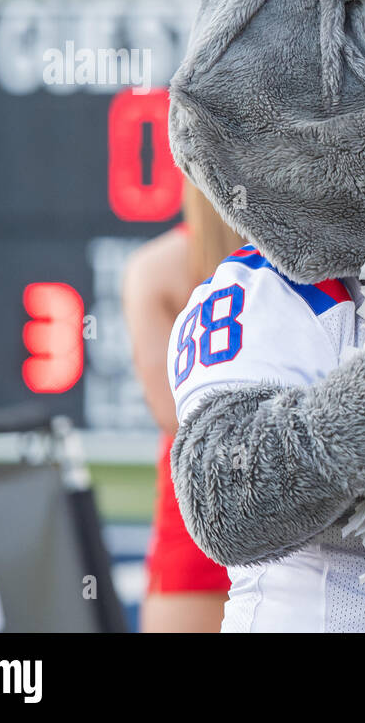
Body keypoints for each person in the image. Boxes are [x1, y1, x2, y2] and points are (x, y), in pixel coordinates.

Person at [122, 181, 244, 632]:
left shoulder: (152, 268)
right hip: (199, 517)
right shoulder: (155, 268)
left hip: (281, 516)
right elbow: (171, 415)